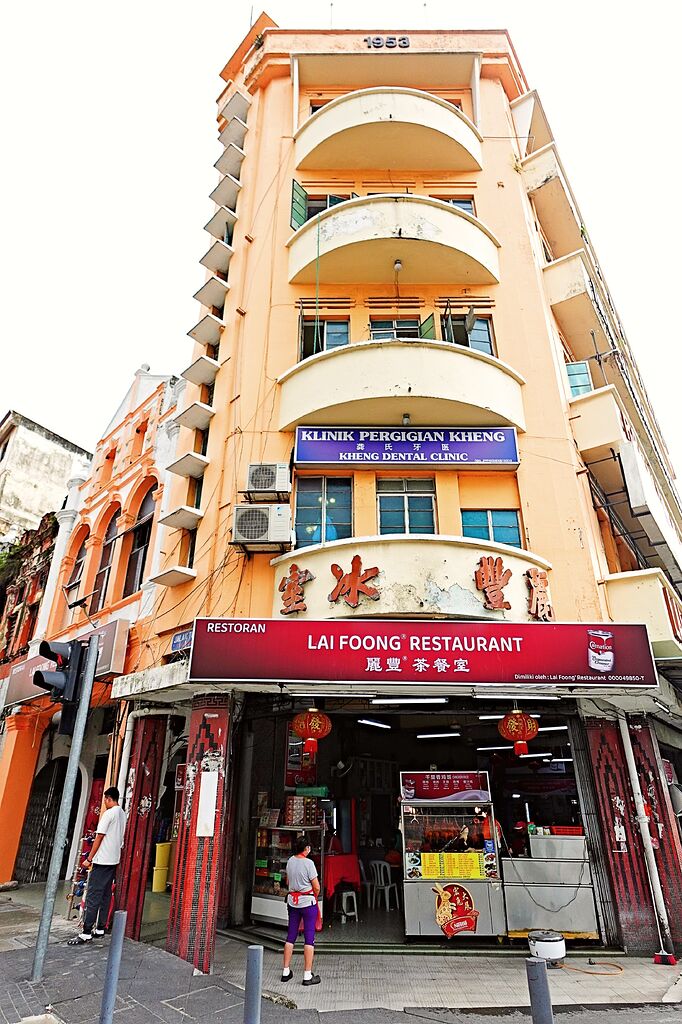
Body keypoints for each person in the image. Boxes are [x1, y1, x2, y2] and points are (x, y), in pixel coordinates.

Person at [68, 786, 126, 945]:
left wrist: (89, 858)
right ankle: (100, 928)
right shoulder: (122, 814)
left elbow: (99, 837)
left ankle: (86, 932)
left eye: (105, 800)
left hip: (101, 860)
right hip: (113, 860)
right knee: (106, 894)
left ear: (108, 798)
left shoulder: (109, 814)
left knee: (93, 895)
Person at [281, 834, 321, 986]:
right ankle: (307, 975)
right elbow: (316, 886)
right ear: (306, 848)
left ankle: (286, 971)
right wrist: (313, 896)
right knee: (309, 938)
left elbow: (287, 881)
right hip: (307, 902)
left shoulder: (290, 861)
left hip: (293, 902)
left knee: (291, 936)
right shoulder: (309, 863)